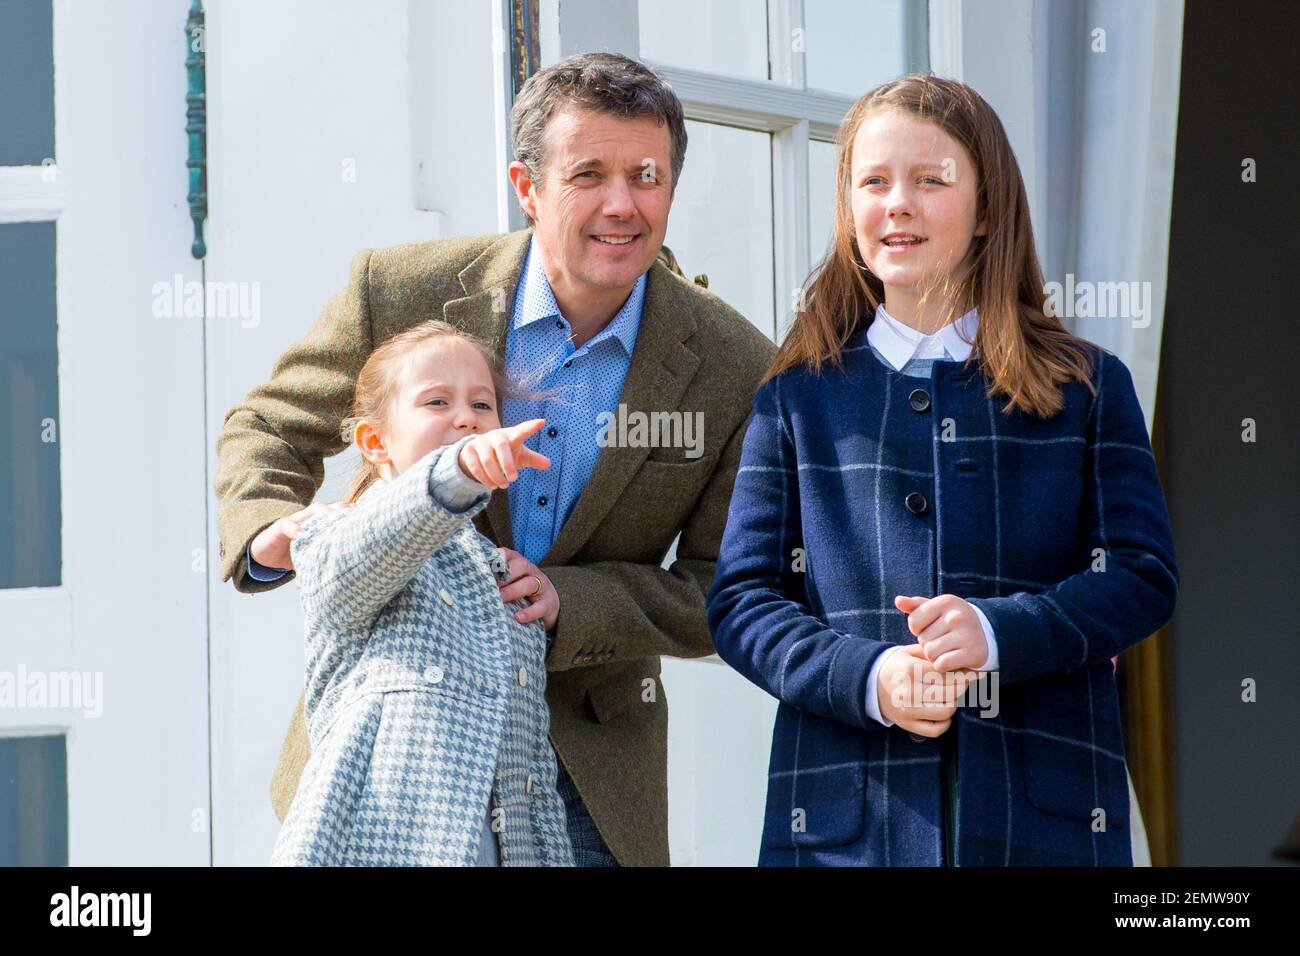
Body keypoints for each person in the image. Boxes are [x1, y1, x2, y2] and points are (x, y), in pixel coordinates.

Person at [213, 51, 776, 867]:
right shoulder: (399, 288)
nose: (622, 204)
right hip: (384, 770)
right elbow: (269, 427)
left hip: (587, 787)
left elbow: (729, 586)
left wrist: (570, 601)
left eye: (646, 175)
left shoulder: (736, 365)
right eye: (588, 173)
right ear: (528, 186)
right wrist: (272, 532)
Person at [706, 73, 1178, 865]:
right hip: (838, 830)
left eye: (932, 180)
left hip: (1047, 821)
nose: (899, 203)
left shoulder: (1087, 388)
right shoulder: (793, 398)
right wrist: (868, 676)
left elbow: (1142, 576)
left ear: (988, 208)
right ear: (849, 209)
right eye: (875, 181)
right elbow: (743, 602)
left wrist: (998, 633)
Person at [270, 321, 572, 866]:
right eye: (437, 401)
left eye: (482, 405)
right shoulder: (333, 534)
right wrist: (452, 471)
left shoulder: (504, 579)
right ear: (374, 442)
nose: (465, 418)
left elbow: (531, 776)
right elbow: (358, 563)